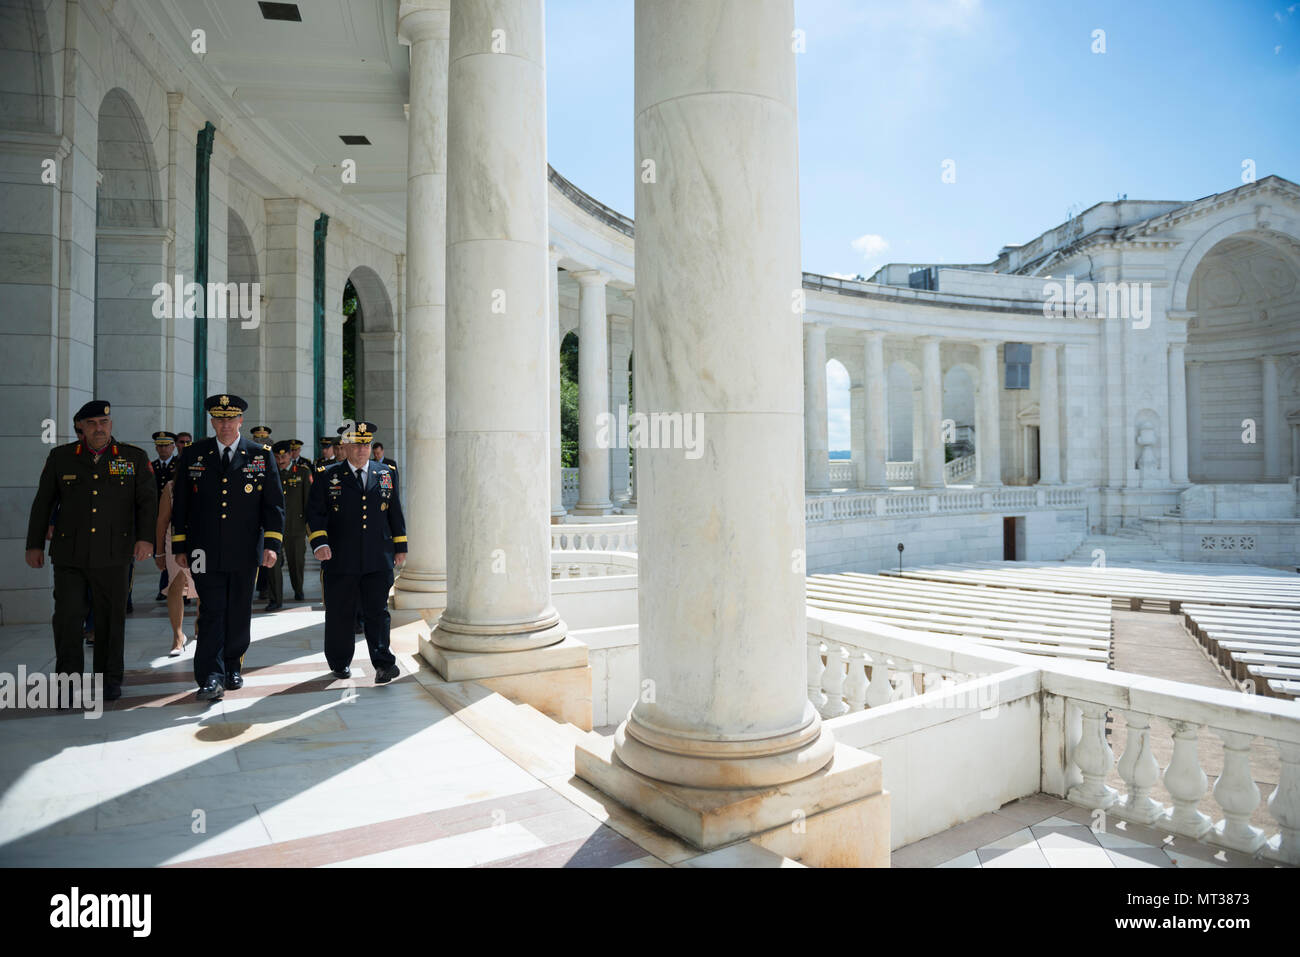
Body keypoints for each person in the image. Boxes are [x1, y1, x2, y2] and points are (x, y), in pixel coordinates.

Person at [25, 400, 156, 701]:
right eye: (93, 423)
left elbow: (147, 502)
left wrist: (146, 539)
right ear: (80, 427)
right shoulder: (61, 458)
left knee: (111, 620)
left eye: (105, 422)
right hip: (70, 554)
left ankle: (109, 679)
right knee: (68, 619)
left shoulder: (132, 457)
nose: (100, 428)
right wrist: (34, 544)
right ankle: (67, 683)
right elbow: (43, 502)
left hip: (115, 553)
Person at [171, 394, 285, 701]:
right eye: (219, 419)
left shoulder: (260, 455)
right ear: (212, 421)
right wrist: (179, 544)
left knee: (238, 610)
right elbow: (181, 503)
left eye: (230, 419)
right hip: (202, 550)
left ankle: (233, 665)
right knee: (210, 610)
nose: (225, 425)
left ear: (240, 421)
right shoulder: (194, 454)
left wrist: (272, 544)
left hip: (245, 548)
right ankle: (210, 674)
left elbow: (273, 505)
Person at [306, 421, 406, 683]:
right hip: (340, 558)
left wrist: (400, 546)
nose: (362, 450)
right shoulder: (328, 475)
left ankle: (384, 664)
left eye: (366, 444)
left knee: (378, 611)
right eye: (356, 444)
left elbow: (394, 512)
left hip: (377, 556)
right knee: (341, 612)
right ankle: (339, 662)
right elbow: (315, 514)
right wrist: (320, 542)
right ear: (346, 446)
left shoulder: (386, 473)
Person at [154, 478, 197, 656]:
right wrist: (159, 552)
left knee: (203, 585)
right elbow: (162, 520)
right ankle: (177, 635)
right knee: (175, 585)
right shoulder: (171, 486)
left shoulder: (211, 477)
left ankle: (200, 626)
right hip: (175, 541)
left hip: (202, 541)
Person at [266, 440, 308, 611]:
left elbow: (308, 500)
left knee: (296, 561)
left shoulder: (303, 472)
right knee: (272, 563)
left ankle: (298, 589)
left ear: (291, 455)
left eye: (283, 456)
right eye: (277, 457)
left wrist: (308, 527)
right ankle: (275, 599)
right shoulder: (270, 472)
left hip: (296, 526)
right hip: (274, 528)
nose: (281, 460)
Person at [151, 431, 179, 600]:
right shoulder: (151, 466)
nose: (163, 449)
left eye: (166, 445)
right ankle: (165, 586)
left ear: (173, 447)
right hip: (157, 515)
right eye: (160, 445)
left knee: (172, 553)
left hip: (174, 517)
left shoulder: (178, 464)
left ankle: (169, 587)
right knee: (160, 551)